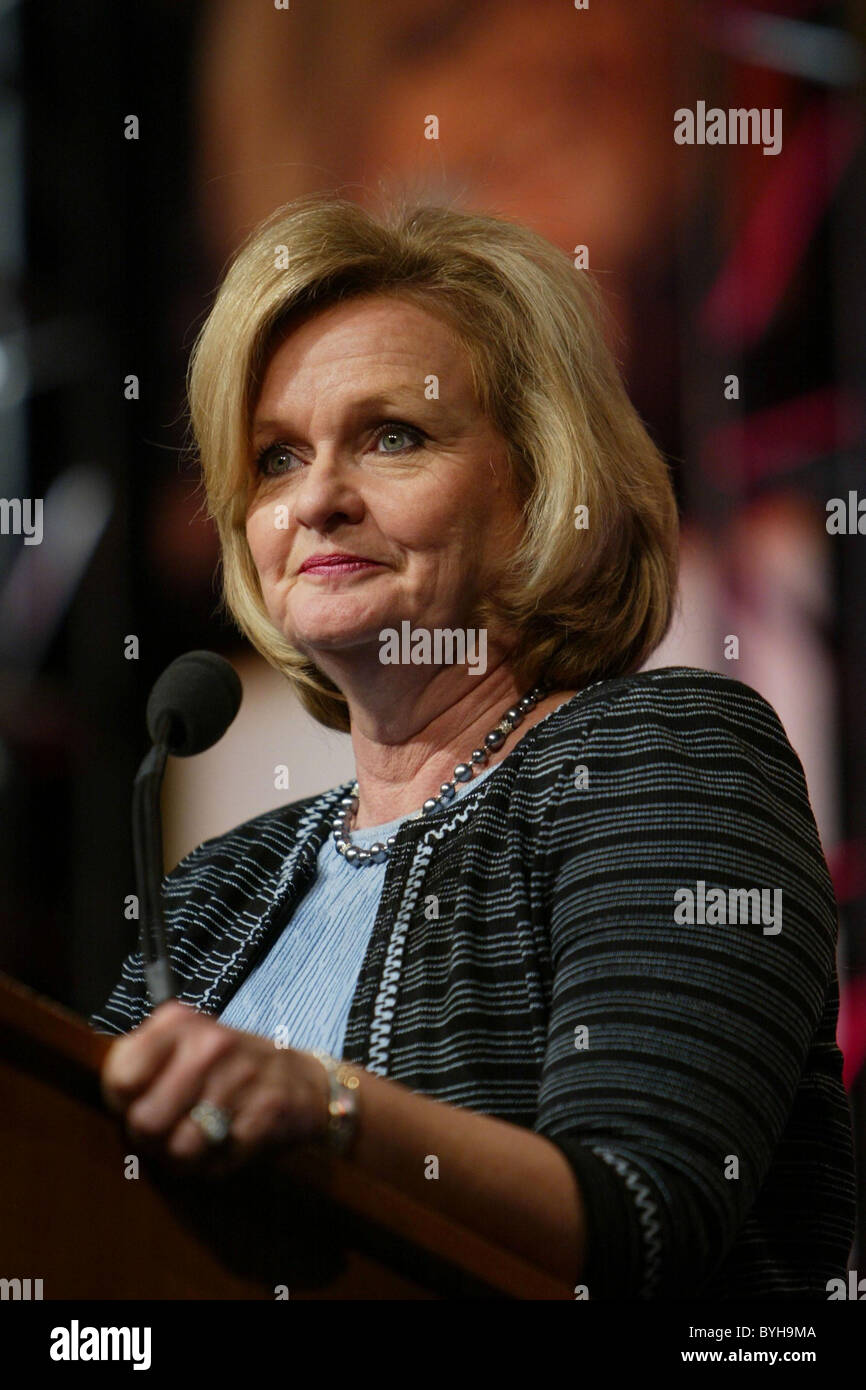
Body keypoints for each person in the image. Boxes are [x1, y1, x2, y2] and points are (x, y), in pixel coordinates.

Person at [91, 193, 855, 1298]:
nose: (316, 499)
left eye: (391, 436)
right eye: (272, 458)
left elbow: (641, 1217)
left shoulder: (665, 754)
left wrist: (325, 1109)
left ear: (539, 482)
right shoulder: (222, 887)